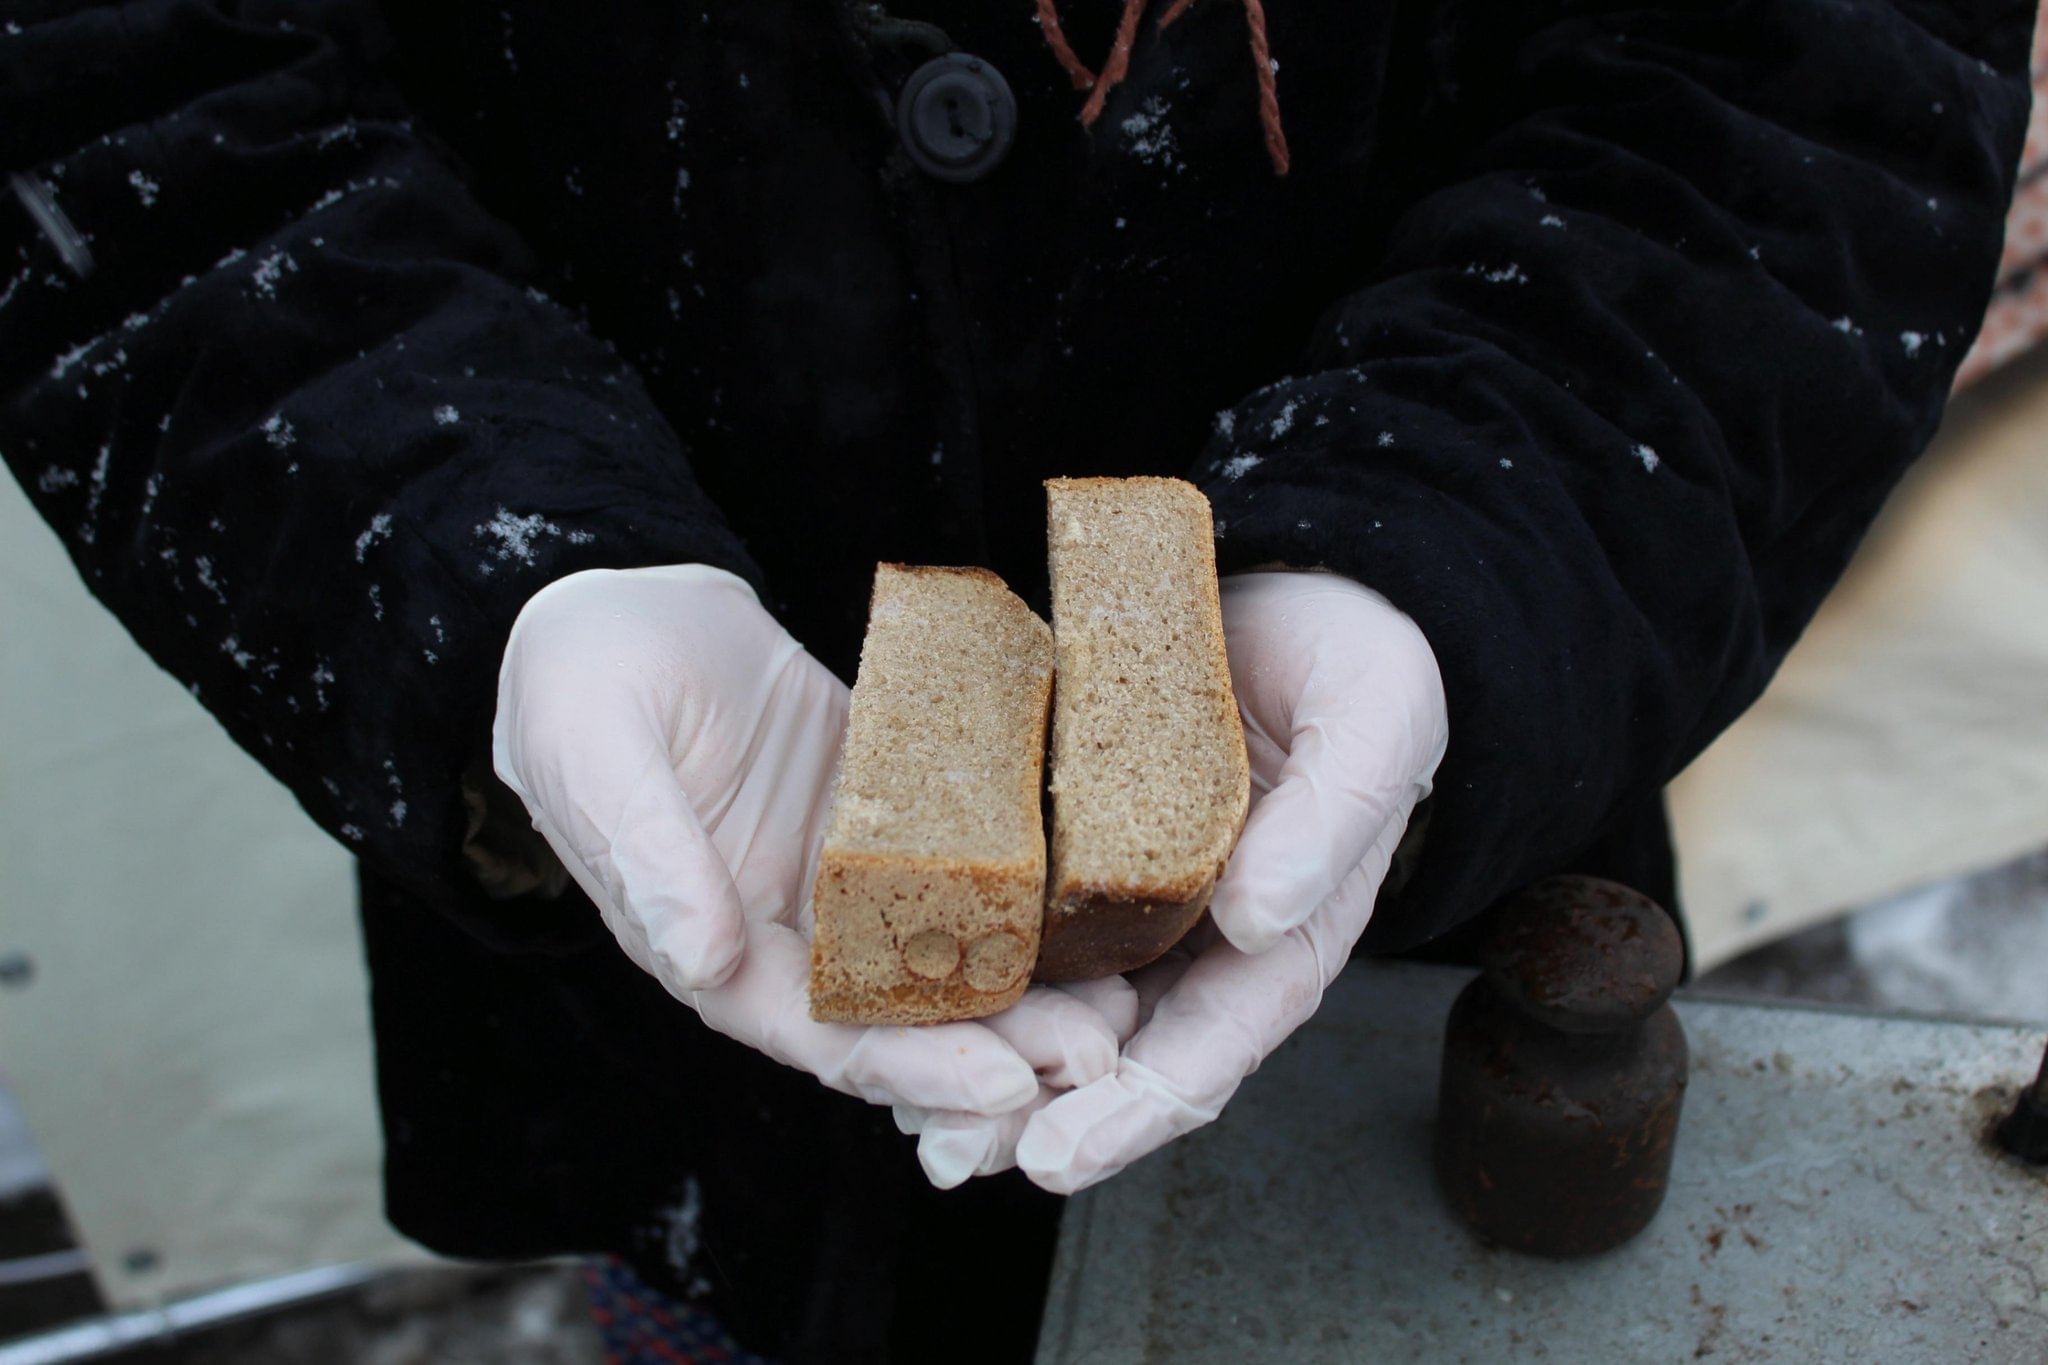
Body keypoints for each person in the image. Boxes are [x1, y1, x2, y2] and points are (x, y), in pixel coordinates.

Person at [1, 1, 2031, 1359]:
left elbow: (1787, 97)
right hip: (667, 957)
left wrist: (1451, 557)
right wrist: (493, 562)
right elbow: (126, 92)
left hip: (1404, 877)